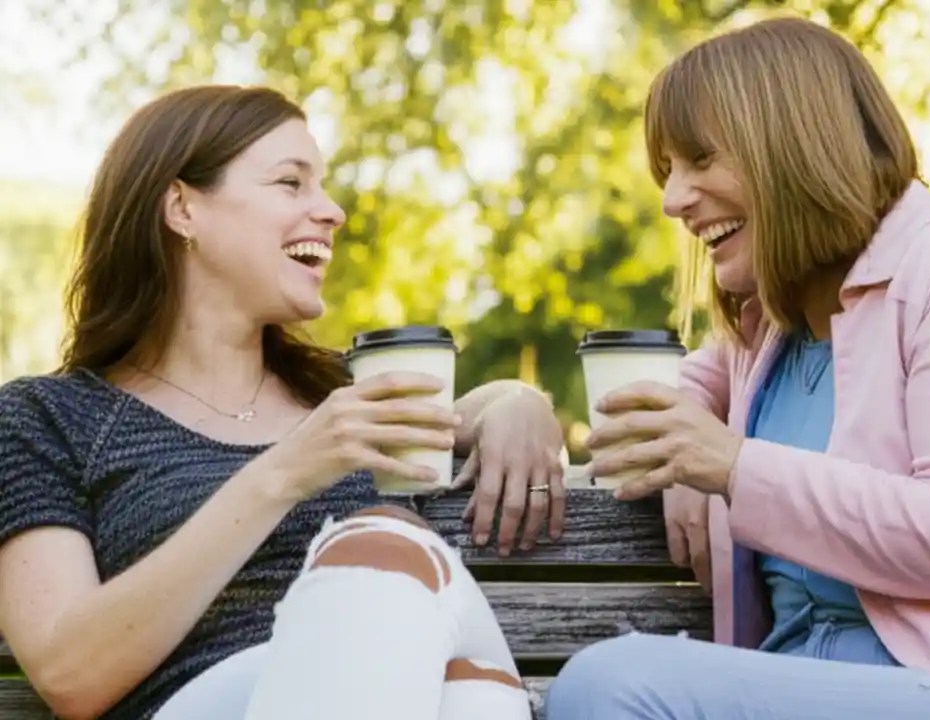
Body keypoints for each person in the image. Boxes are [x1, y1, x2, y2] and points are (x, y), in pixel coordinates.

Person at [546, 16, 930, 720]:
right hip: (804, 689)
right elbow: (660, 405)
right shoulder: (769, 334)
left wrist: (729, 466)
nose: (672, 202)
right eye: (669, 173)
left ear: (793, 146)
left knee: (616, 684)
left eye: (699, 160)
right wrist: (515, 408)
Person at [0, 85, 566, 720]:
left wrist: (518, 402)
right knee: (391, 555)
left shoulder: (335, 400)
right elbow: (67, 673)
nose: (332, 212)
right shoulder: (47, 419)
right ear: (182, 208)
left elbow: (456, 412)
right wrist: (284, 473)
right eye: (291, 184)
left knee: (466, 683)